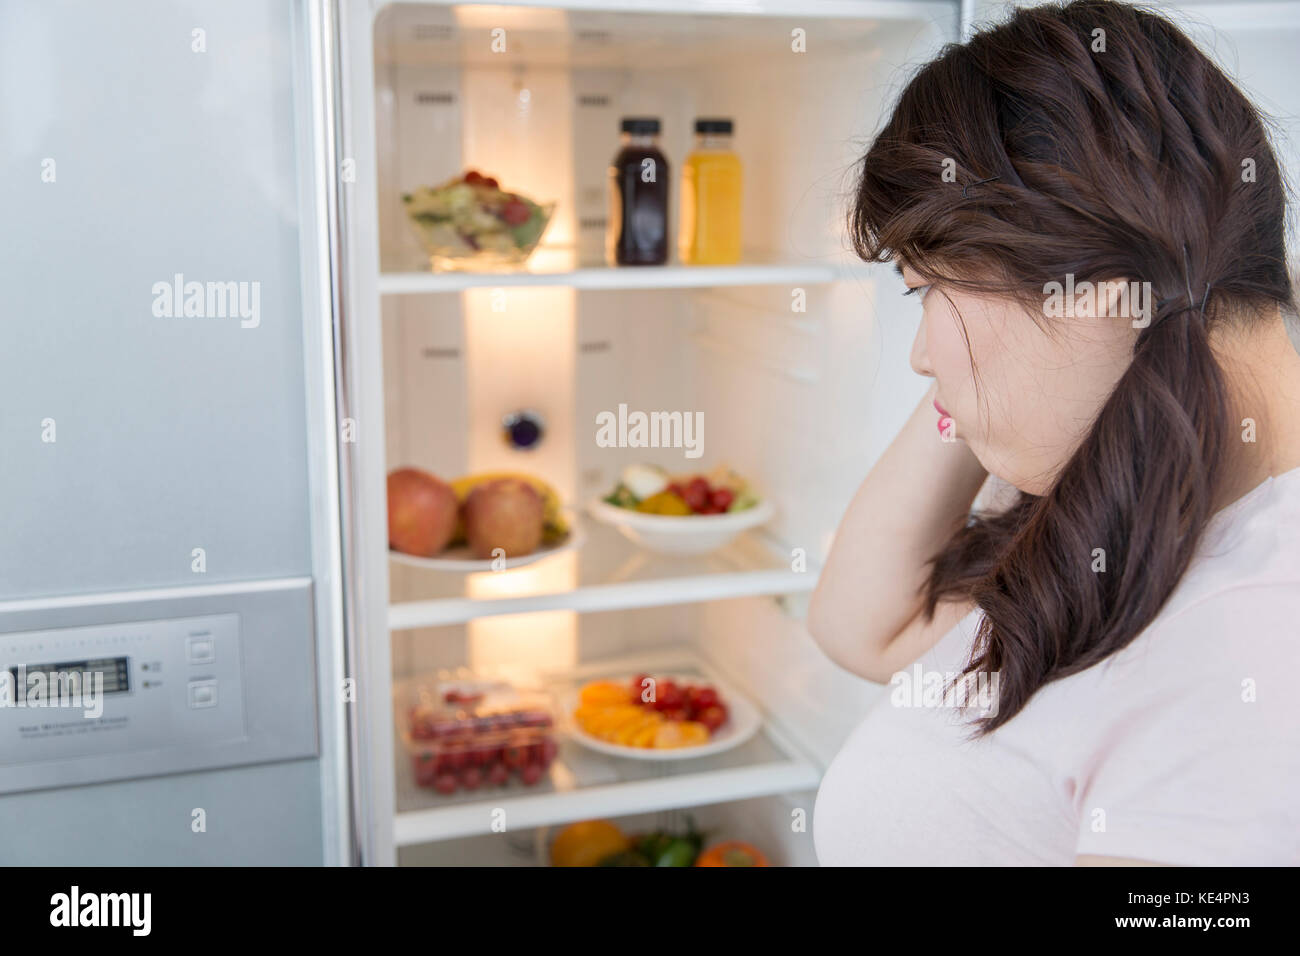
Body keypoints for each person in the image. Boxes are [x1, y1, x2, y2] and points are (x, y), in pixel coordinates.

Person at [809, 0, 1300, 865]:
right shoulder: (1134, 498)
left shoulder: (1252, 650)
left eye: (927, 291)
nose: (920, 357)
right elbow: (865, 622)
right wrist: (996, 370)